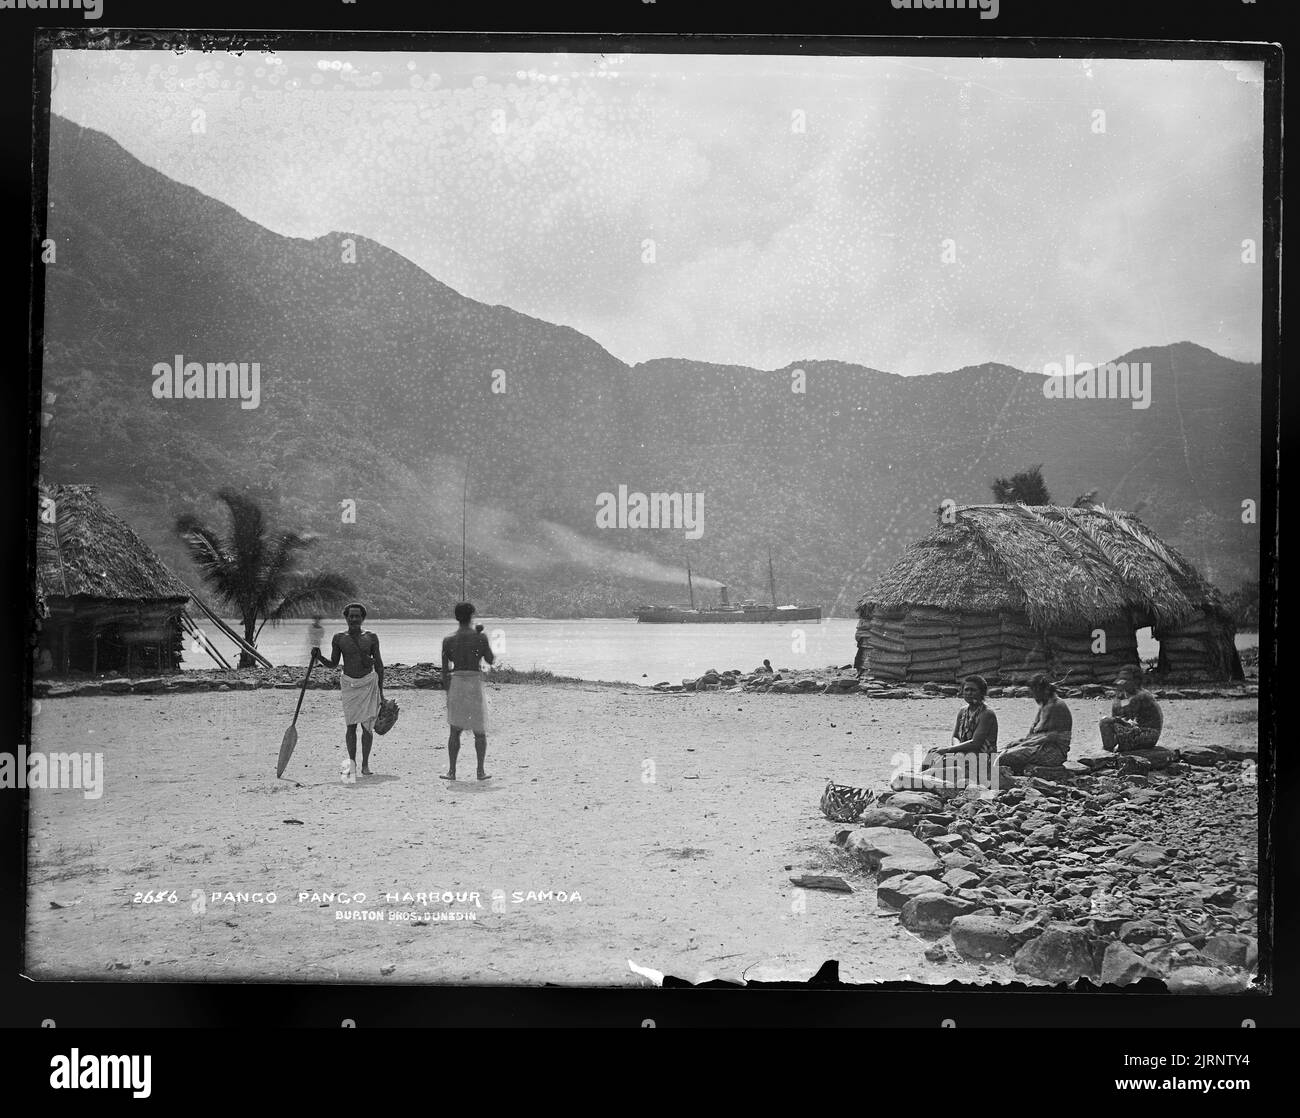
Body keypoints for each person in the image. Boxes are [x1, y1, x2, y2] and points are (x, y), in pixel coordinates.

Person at [314, 603, 385, 779]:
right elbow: (333, 663)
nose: (354, 619)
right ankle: (351, 764)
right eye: (350, 616)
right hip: (349, 685)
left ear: (362, 618)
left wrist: (382, 692)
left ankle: (365, 765)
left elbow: (379, 665)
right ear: (346, 618)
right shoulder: (339, 638)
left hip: (368, 684)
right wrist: (319, 657)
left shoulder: (371, 637)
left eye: (357, 616)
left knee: (367, 726)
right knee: (351, 725)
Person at [441, 602, 495, 782]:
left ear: (456, 617)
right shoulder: (479, 637)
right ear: (472, 616)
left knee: (454, 730)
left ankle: (452, 771)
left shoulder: (448, 640)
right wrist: (481, 636)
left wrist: (448, 693)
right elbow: (490, 659)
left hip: (456, 682)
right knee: (479, 730)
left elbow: (444, 671)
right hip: (473, 682)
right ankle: (480, 771)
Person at [920, 675, 999, 783]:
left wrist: (949, 750)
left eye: (973, 690)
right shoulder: (963, 711)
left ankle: (924, 780)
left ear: (982, 692)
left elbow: (976, 743)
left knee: (944, 761)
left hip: (981, 757)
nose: (969, 693)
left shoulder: (987, 713)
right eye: (966, 690)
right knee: (933, 752)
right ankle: (920, 777)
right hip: (964, 751)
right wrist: (955, 749)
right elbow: (956, 736)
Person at [994, 672, 1073, 776]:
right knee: (1003, 751)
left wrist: (1023, 744)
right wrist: (1020, 741)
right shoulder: (1044, 704)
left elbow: (1050, 737)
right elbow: (1033, 734)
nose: (1033, 696)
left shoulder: (1056, 705)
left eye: (1034, 692)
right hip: (1040, 746)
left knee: (1005, 757)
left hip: (1054, 752)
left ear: (1043, 691)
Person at [1099, 666, 1163, 752]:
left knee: (1106, 722)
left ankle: (1110, 752)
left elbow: (1125, 717)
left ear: (1136, 681)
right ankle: (1110, 750)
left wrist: (1118, 702)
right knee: (1109, 723)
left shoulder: (1141, 696)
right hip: (1141, 732)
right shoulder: (1126, 696)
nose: (1121, 684)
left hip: (1149, 734)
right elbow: (1118, 716)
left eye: (1125, 681)